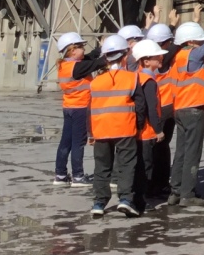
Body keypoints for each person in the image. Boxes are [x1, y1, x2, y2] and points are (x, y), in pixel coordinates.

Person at [89, 34, 148, 218]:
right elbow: (140, 106)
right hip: (125, 128)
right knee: (126, 165)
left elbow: (89, 108)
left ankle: (99, 203)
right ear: (125, 56)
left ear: (106, 58)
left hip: (101, 130)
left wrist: (91, 132)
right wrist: (139, 126)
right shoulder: (132, 78)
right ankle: (125, 199)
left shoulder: (95, 82)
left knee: (102, 167)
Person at [168, 19, 204, 207]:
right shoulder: (193, 56)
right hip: (193, 109)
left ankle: (176, 191)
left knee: (181, 151)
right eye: (199, 39)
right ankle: (187, 194)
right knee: (192, 152)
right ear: (191, 41)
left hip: (180, 108)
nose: (201, 42)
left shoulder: (179, 57)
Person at [54, 32, 105, 187]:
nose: (84, 49)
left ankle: (60, 175)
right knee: (78, 143)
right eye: (81, 46)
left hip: (69, 107)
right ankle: (78, 176)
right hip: (81, 108)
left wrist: (100, 48)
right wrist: (110, 51)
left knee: (66, 142)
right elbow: (97, 63)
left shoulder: (65, 65)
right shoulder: (78, 67)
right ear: (73, 50)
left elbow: (90, 58)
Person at [131, 39, 166, 213]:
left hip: (137, 131)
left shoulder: (136, 77)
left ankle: (137, 198)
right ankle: (141, 201)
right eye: (156, 57)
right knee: (146, 167)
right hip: (147, 132)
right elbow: (151, 108)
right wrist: (158, 129)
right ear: (145, 61)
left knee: (138, 166)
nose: (160, 58)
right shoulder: (149, 81)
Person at [147, 18, 179, 196]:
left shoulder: (147, 57)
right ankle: (159, 183)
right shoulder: (161, 59)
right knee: (161, 147)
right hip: (165, 107)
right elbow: (172, 48)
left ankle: (154, 182)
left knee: (155, 147)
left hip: (155, 106)